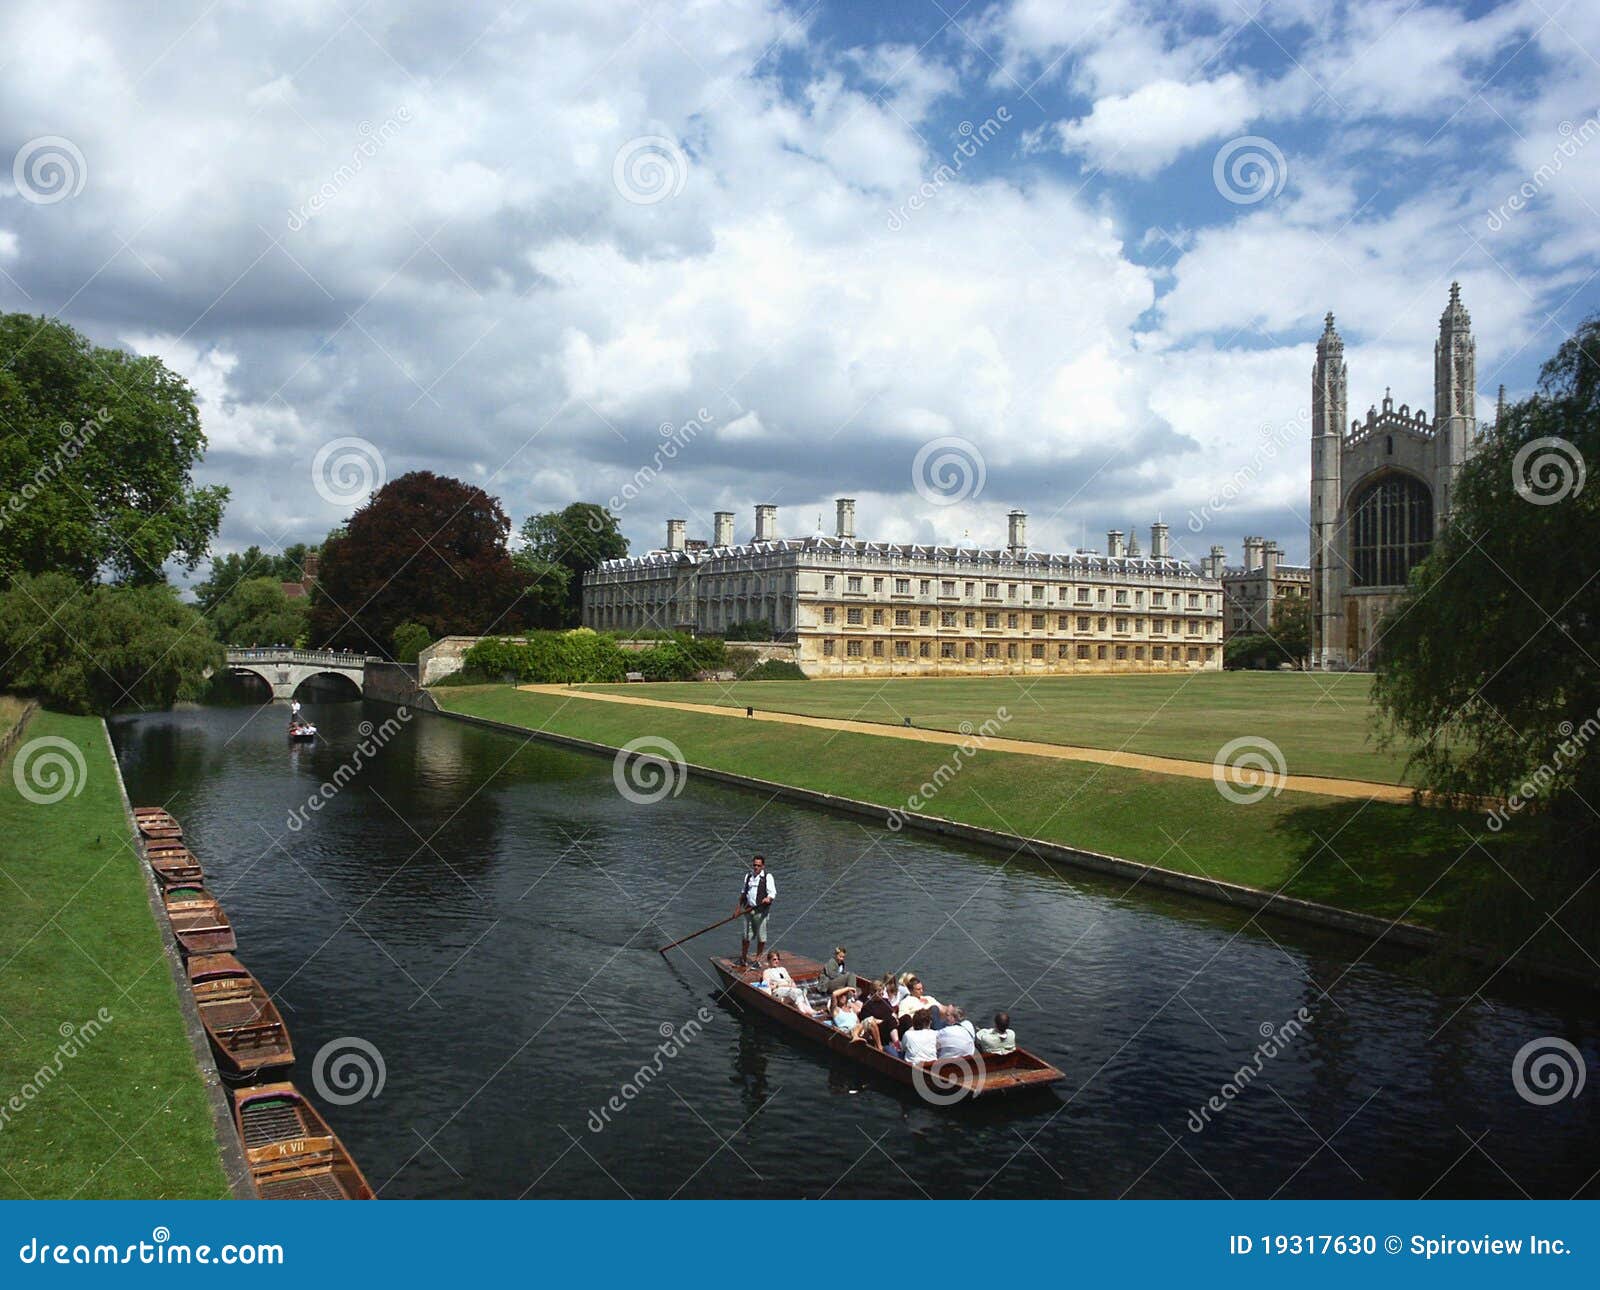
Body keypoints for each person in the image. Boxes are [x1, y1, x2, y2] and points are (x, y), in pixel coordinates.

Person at [734, 855, 776, 966]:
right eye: (754, 865)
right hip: (748, 910)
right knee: (745, 936)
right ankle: (743, 958)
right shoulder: (748, 876)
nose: (756, 867)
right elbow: (743, 893)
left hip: (761, 912)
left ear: (763, 866)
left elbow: (772, 893)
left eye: (758, 865)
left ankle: (757, 960)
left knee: (761, 937)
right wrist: (738, 909)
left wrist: (768, 898)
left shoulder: (768, 877)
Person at [761, 951, 818, 1017]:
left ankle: (809, 1011)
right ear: (769, 961)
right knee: (796, 992)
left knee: (799, 992)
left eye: (778, 959)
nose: (776, 961)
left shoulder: (782, 969)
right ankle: (804, 1012)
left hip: (788, 989)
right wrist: (779, 985)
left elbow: (790, 981)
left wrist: (789, 984)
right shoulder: (767, 972)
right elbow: (766, 985)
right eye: (774, 959)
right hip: (778, 991)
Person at [857, 980, 900, 1056]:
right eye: (879, 991)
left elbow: (892, 1012)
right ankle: (897, 1045)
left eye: (882, 991)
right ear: (873, 992)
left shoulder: (885, 1001)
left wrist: (895, 1017)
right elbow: (868, 1021)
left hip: (891, 1026)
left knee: (906, 1018)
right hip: (880, 1029)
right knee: (891, 1020)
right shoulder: (868, 1005)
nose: (882, 993)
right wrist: (884, 1021)